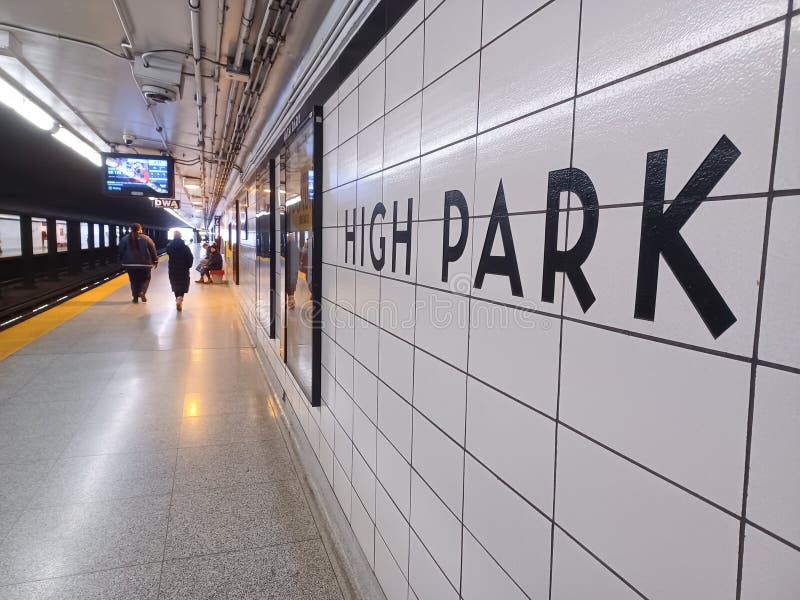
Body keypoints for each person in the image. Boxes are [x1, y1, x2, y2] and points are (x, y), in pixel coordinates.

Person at [118, 223, 157, 303]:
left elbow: (121, 251)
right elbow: (153, 250)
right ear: (140, 229)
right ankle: (142, 291)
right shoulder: (147, 239)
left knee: (134, 281)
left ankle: (135, 298)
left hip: (130, 264)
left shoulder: (124, 239)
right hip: (145, 264)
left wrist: (121, 260)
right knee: (146, 278)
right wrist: (155, 260)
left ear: (131, 229)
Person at [166, 230, 194, 311]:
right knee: (183, 284)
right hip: (183, 269)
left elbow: (169, 254)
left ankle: (177, 297)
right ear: (181, 236)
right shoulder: (185, 248)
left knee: (175, 284)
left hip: (173, 269)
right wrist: (189, 265)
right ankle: (180, 298)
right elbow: (190, 258)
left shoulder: (169, 247)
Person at [286, 232, 299, 309]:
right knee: (292, 284)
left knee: (289, 285)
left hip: (288, 269)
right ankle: (291, 300)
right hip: (294, 269)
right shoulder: (296, 247)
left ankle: (291, 301)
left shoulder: (287, 246)